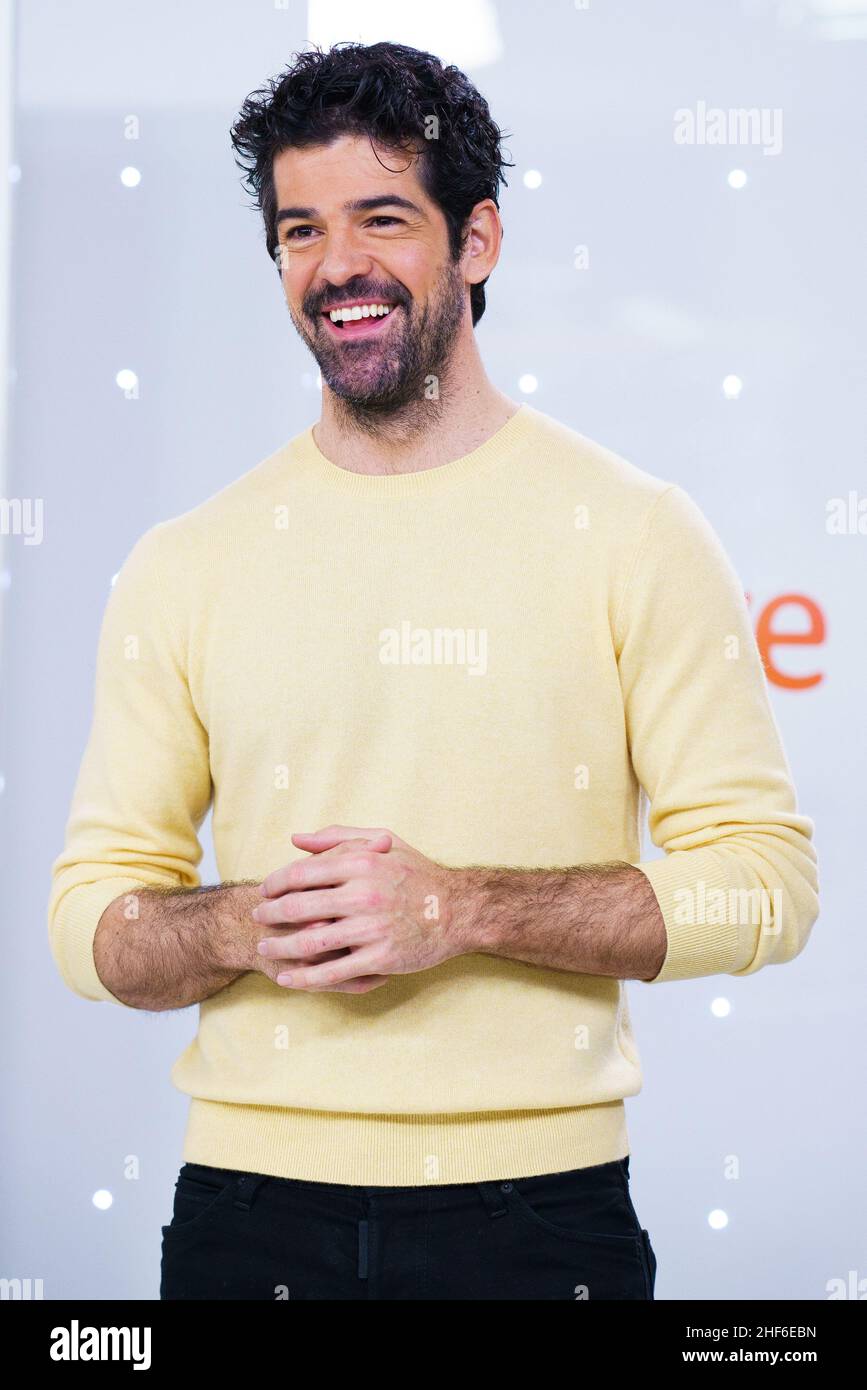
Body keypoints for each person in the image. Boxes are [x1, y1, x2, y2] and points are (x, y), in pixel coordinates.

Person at [47, 41, 818, 1301]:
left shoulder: (634, 530)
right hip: (248, 1221)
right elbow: (91, 923)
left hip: (539, 1222)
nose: (336, 264)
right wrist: (253, 921)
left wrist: (463, 909)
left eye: (382, 218)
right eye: (301, 229)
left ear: (479, 241)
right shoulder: (185, 562)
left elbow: (766, 889)